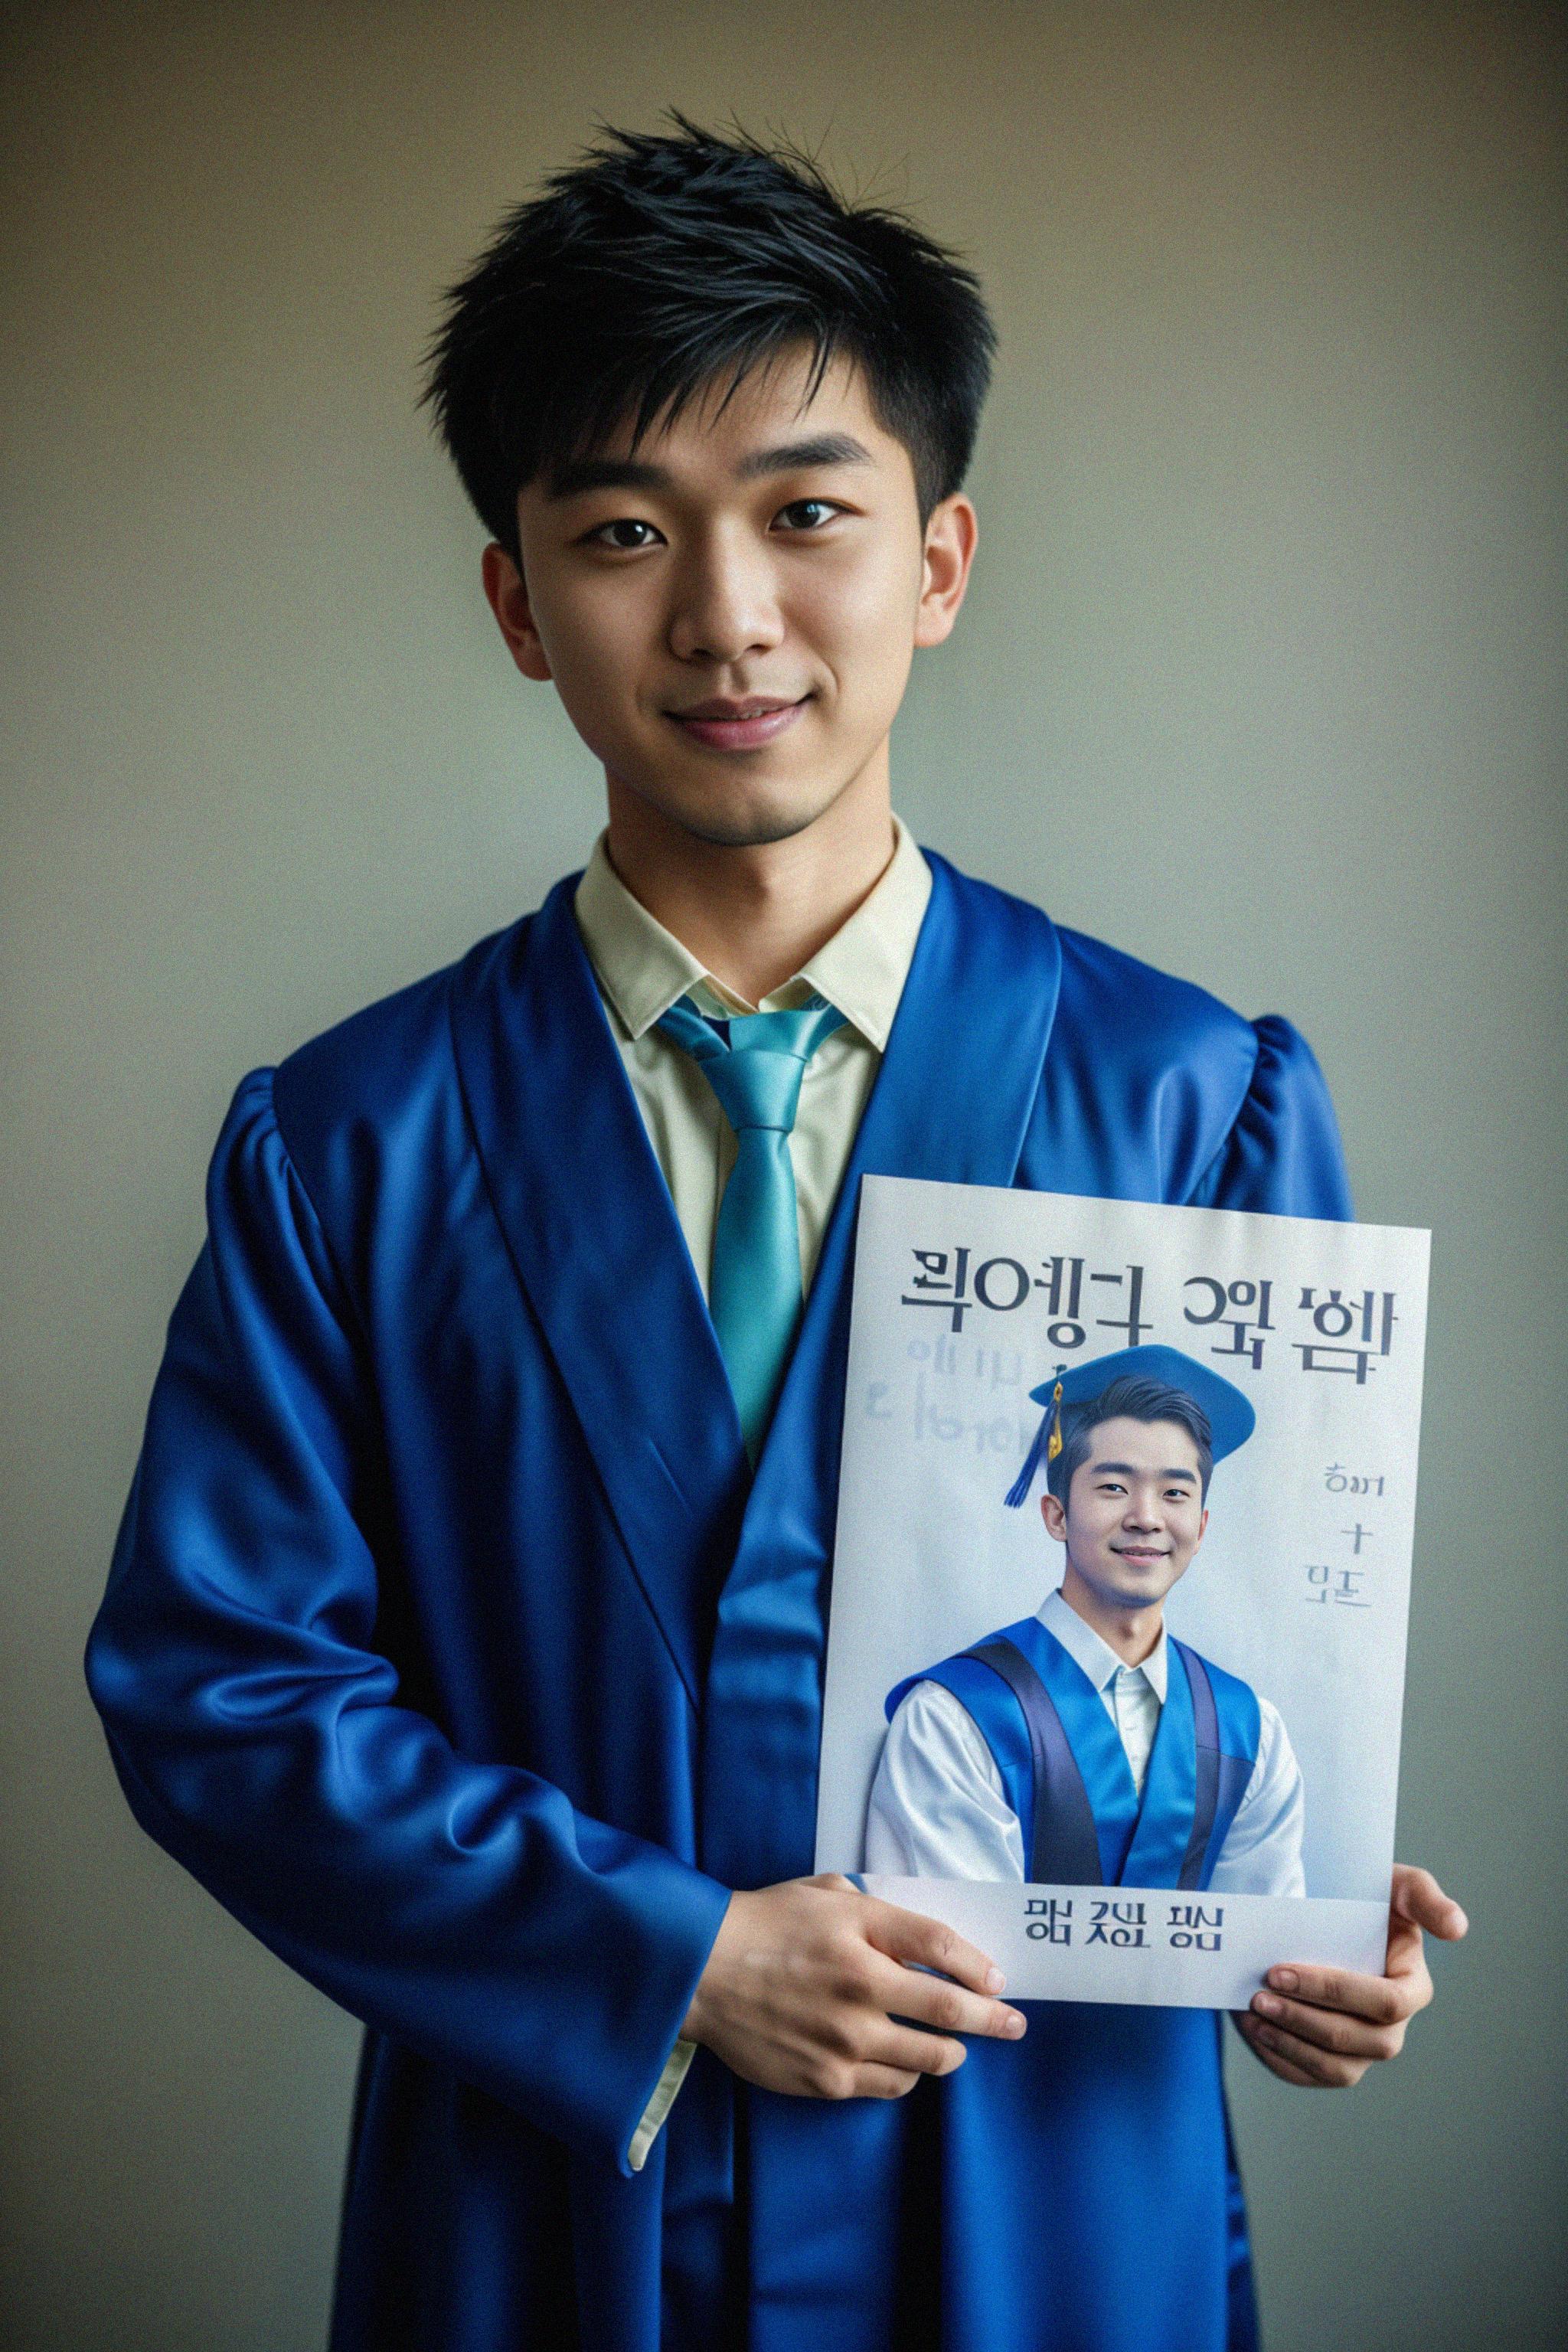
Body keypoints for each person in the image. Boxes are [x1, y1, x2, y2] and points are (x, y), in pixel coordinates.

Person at [83, 114, 1466, 2352]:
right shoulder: (353, 1139)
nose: (726, 613)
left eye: (807, 514)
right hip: (558, 2211)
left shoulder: (1189, 1100)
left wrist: (1300, 1936)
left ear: (934, 557)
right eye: (624, 532)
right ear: (518, 602)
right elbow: (220, 1685)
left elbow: (1261, 1643)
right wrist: (666, 1956)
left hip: (1036, 2201)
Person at [867, 1347, 1308, 1896]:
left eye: (1174, 1493)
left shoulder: (1250, 1731)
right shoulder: (956, 1715)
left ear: (1201, 1525)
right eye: (1113, 1488)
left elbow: (1260, 1948)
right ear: (1056, 1515)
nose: (1146, 1518)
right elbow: (944, 1955)